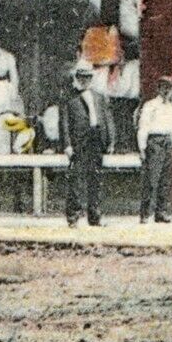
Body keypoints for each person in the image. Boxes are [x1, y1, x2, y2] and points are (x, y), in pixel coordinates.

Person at [62, 61, 111, 227]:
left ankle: (94, 216)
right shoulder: (70, 98)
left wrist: (109, 140)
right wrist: (67, 145)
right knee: (77, 180)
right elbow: (65, 123)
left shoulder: (99, 96)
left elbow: (106, 119)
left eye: (88, 77)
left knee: (95, 179)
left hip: (96, 140)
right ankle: (73, 216)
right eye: (82, 77)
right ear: (77, 78)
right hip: (79, 142)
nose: (85, 80)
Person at [136, 74, 172, 224]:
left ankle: (161, 212)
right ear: (158, 88)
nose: (166, 91)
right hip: (154, 142)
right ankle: (145, 213)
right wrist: (142, 148)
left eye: (169, 88)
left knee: (165, 180)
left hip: (167, 142)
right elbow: (143, 127)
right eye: (163, 87)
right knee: (151, 179)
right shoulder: (150, 106)